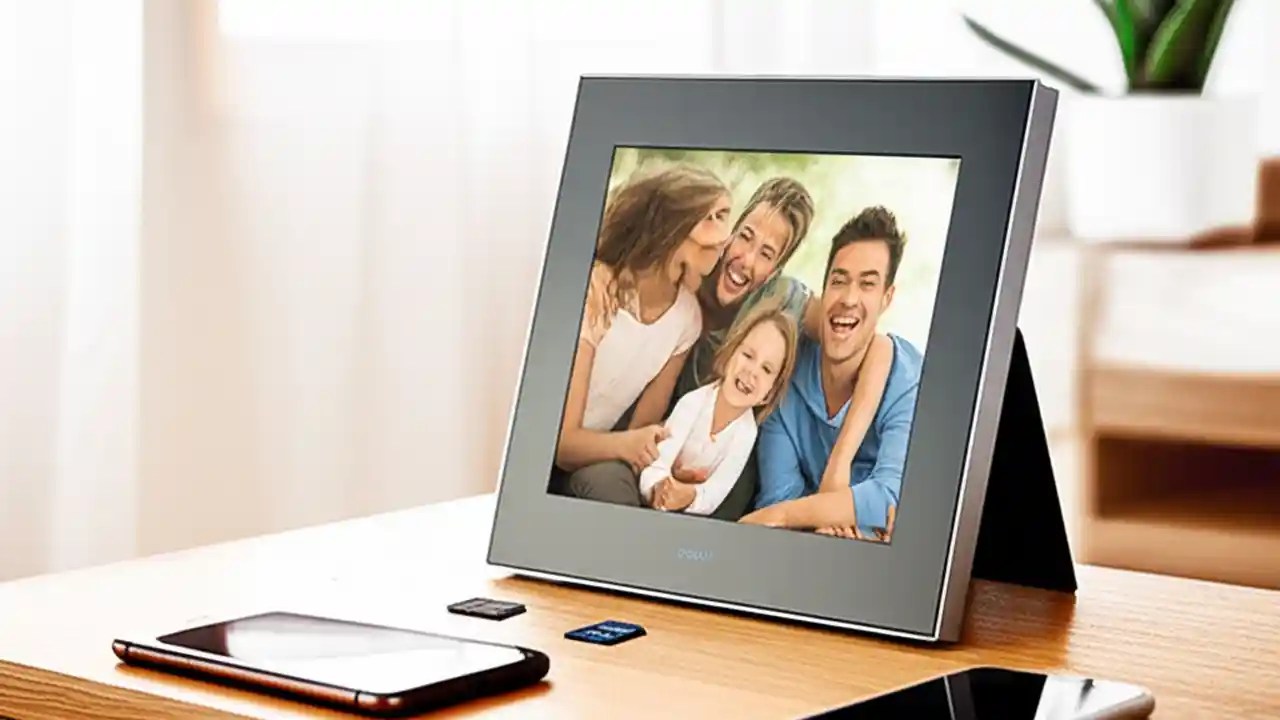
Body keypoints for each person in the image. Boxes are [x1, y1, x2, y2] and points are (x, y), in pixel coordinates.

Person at [671, 177, 896, 520]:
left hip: (727, 465)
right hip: (670, 440)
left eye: (766, 254)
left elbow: (877, 345)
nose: (746, 260)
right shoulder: (695, 266)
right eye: (745, 236)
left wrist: (839, 465)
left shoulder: (783, 297)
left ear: (777, 268)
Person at [739, 206, 923, 540]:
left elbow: (892, 496)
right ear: (823, 289)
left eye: (867, 285)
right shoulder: (786, 375)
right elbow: (778, 496)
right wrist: (825, 526)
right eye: (839, 281)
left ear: (886, 298)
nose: (849, 298)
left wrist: (783, 516)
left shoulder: (908, 382)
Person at [551, 164, 733, 499]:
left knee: (612, 485)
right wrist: (628, 445)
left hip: (589, 465)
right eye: (717, 217)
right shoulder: (601, 288)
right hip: (541, 452)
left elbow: (641, 434)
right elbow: (561, 443)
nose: (723, 246)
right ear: (680, 228)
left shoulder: (687, 319)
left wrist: (664, 466)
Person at [638, 303, 799, 516]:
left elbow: (715, 493)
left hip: (689, 514)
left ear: (769, 393)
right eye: (748, 355)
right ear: (730, 353)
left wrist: (689, 496)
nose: (752, 371)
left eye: (766, 369)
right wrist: (661, 489)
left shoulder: (746, 433)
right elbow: (656, 465)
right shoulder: (693, 403)